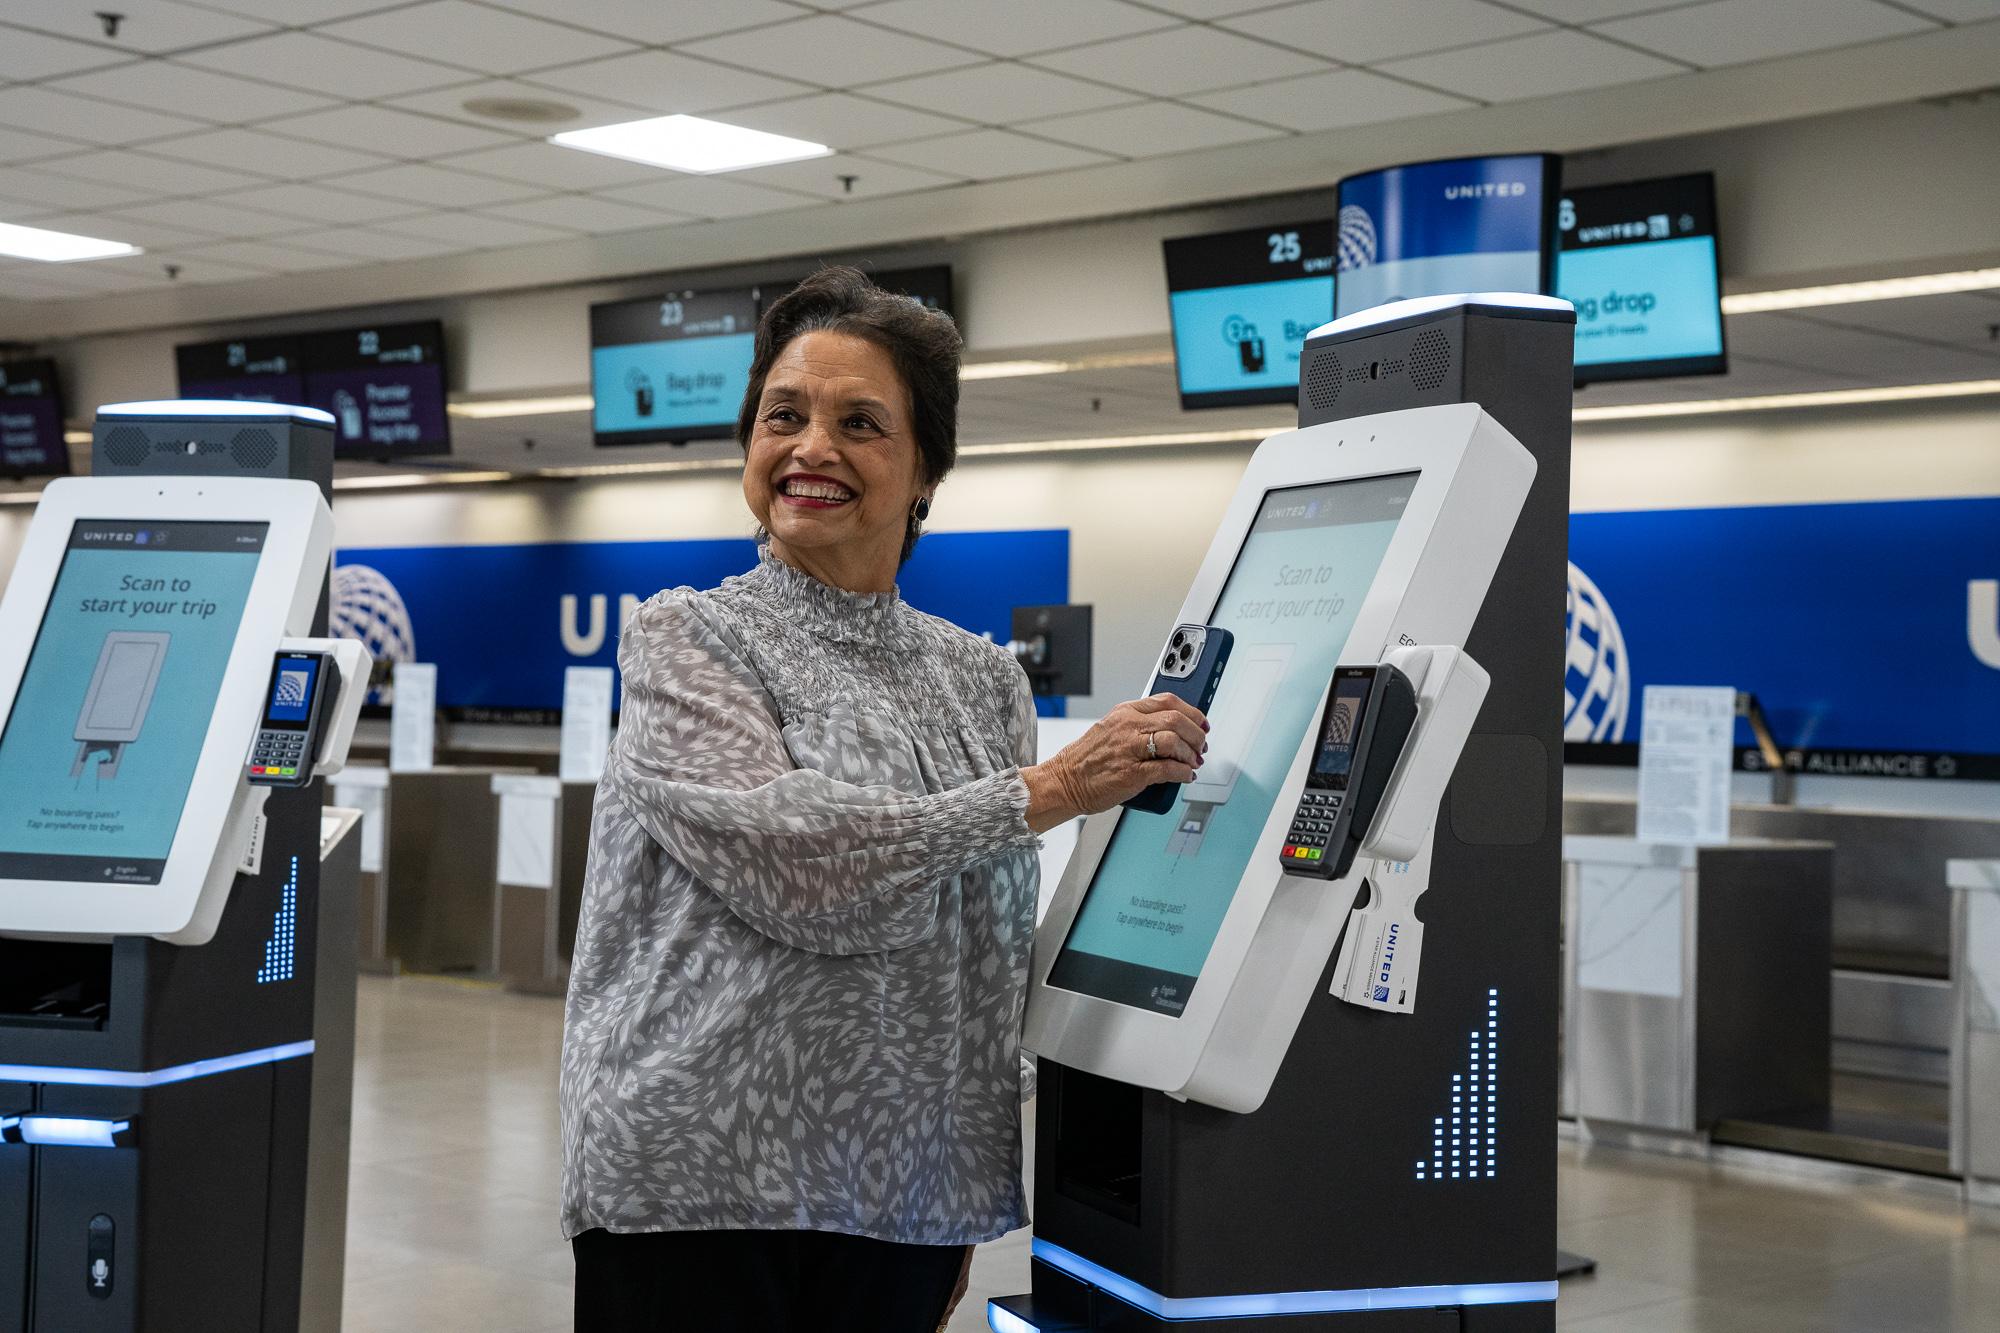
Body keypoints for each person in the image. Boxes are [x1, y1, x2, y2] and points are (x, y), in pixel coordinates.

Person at [560, 266, 1209, 1332]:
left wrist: (950, 1198)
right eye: (784, 415)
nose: (812, 448)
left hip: (896, 1200)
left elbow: (978, 949)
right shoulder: (687, 638)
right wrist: (1045, 790)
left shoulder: (982, 679)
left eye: (859, 422)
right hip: (695, 1187)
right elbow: (797, 859)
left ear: (922, 472)